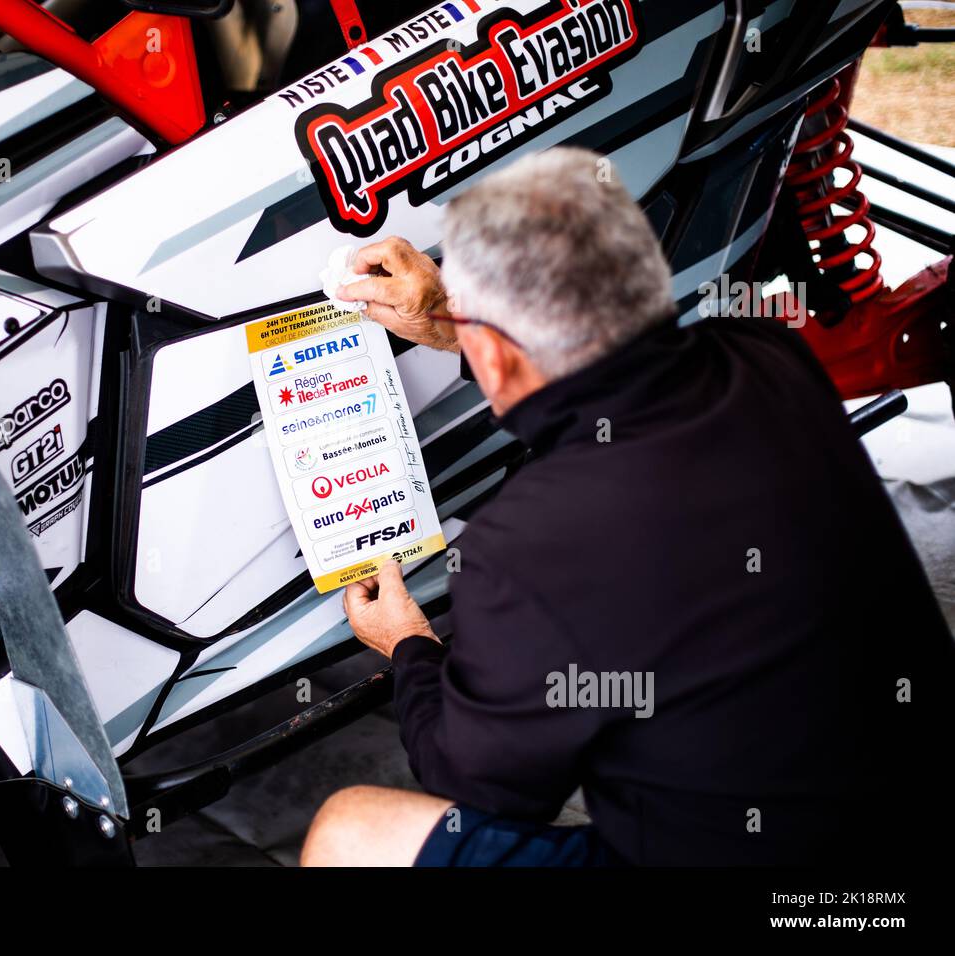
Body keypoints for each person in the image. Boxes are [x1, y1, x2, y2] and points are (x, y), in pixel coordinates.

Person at [299, 147, 954, 867]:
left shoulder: (522, 549)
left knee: (349, 831)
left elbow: (481, 783)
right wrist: (470, 328)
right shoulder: (768, 357)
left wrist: (408, 646)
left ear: (500, 353)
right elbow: (594, 375)